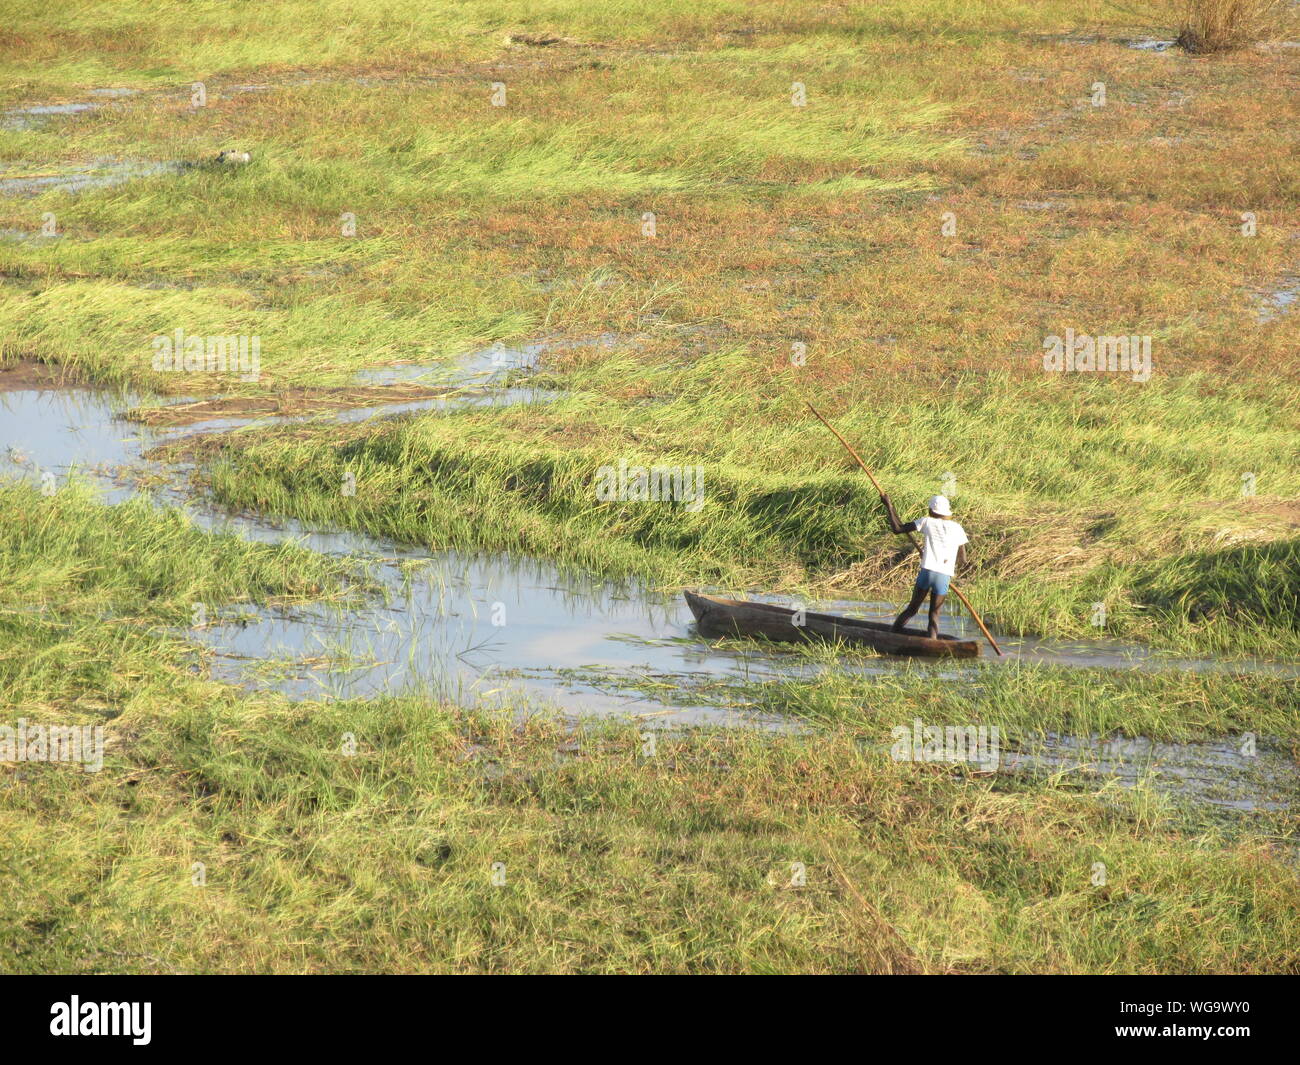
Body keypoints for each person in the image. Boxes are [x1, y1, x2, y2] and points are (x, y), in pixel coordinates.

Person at [880, 493, 968, 638]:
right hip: (944, 576)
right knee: (935, 614)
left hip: (928, 572)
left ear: (931, 511)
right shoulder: (958, 528)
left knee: (912, 609)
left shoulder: (927, 521)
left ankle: (891, 636)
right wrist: (945, 564)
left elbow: (898, 528)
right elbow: (962, 559)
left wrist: (888, 506)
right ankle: (932, 642)